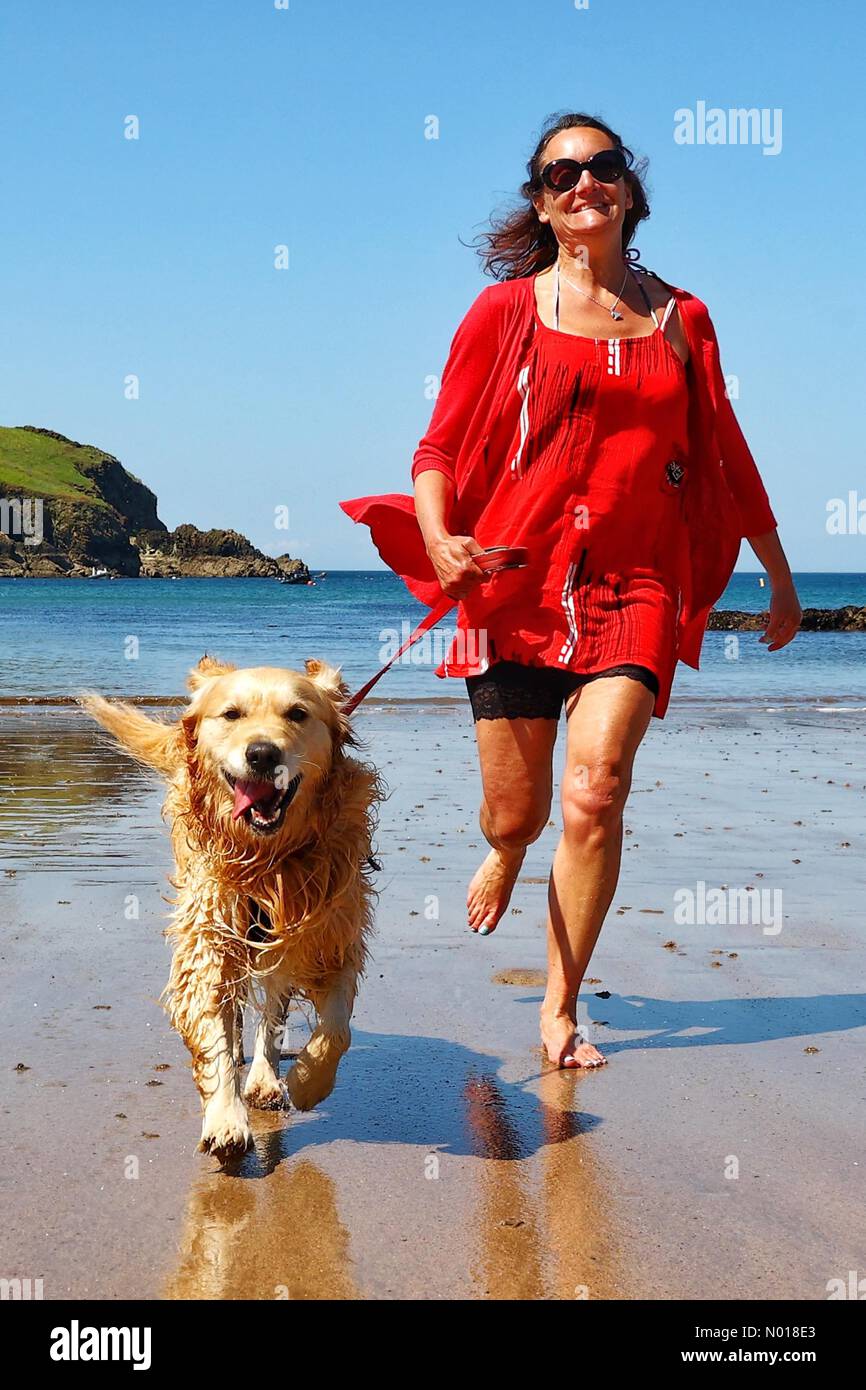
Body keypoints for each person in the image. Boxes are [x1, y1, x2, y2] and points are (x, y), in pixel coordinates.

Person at [342, 112, 801, 1069]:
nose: (583, 183)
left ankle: (559, 1007)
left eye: (602, 167)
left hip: (637, 585)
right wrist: (442, 536)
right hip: (516, 584)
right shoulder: (505, 312)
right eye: (562, 175)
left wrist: (779, 570)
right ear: (544, 205)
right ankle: (508, 848)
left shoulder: (685, 318)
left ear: (629, 190)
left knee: (595, 788)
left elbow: (723, 449)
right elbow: (436, 448)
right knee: (518, 811)